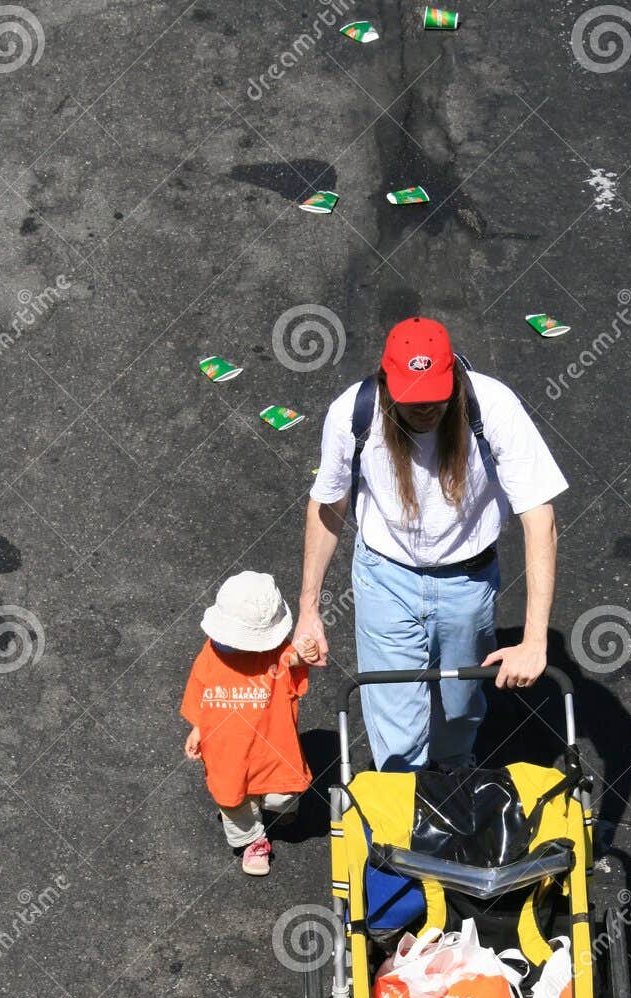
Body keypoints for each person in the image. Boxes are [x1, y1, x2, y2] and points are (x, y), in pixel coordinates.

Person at [292, 315, 568, 770]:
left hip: (468, 582)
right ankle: (408, 833)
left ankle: (449, 789)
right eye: (411, 399)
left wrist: (535, 640)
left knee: (458, 717)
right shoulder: (353, 414)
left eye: (435, 398)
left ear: (455, 379)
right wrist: (308, 610)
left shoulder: (494, 407)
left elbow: (541, 519)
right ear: (386, 382)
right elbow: (328, 507)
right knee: (399, 738)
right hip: (386, 580)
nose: (424, 410)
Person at [181, 571, 316, 875]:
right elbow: (202, 692)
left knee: (282, 794)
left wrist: (306, 653)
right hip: (226, 752)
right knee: (233, 799)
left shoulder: (275, 655)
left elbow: (296, 660)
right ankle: (253, 840)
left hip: (273, 752)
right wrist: (199, 727)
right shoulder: (210, 654)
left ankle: (276, 809)